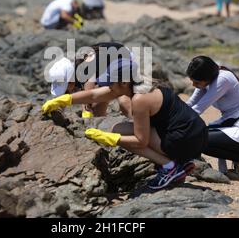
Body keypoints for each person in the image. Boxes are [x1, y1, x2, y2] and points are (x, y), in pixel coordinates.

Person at [42, 58, 208, 190]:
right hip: (195, 134)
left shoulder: (140, 99)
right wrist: (65, 99)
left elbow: (140, 141)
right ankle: (180, 160)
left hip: (187, 139)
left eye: (110, 83)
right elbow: (93, 95)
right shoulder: (137, 84)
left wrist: (111, 139)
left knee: (122, 134)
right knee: (120, 128)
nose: (107, 86)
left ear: (123, 83)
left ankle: (170, 167)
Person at [186, 56, 239, 179]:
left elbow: (198, 108)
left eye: (197, 82)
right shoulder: (206, 81)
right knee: (198, 136)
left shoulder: (223, 79)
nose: (194, 85)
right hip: (233, 125)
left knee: (199, 137)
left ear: (207, 78)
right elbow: (190, 104)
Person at [47, 42, 133, 118]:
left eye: (66, 90)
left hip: (124, 60)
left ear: (70, 81)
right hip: (107, 69)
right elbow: (80, 94)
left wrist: (86, 109)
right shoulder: (72, 72)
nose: (67, 92)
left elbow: (89, 91)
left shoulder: (84, 66)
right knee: (97, 112)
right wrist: (57, 110)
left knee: (123, 100)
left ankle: (138, 124)